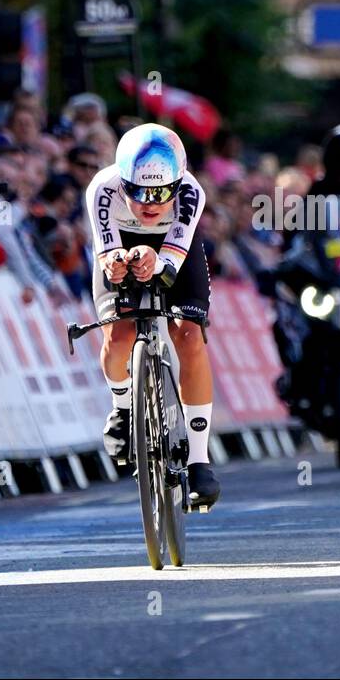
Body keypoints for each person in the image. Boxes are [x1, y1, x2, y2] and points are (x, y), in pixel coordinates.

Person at [84, 122, 220, 509]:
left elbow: (172, 265)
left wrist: (158, 262)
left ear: (177, 185)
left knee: (189, 335)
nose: (149, 202)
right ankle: (123, 407)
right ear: (121, 181)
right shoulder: (102, 189)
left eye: (161, 193)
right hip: (122, 248)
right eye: (137, 191)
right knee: (119, 335)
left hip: (173, 250)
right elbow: (105, 251)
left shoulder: (192, 192)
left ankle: (199, 460)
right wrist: (115, 264)